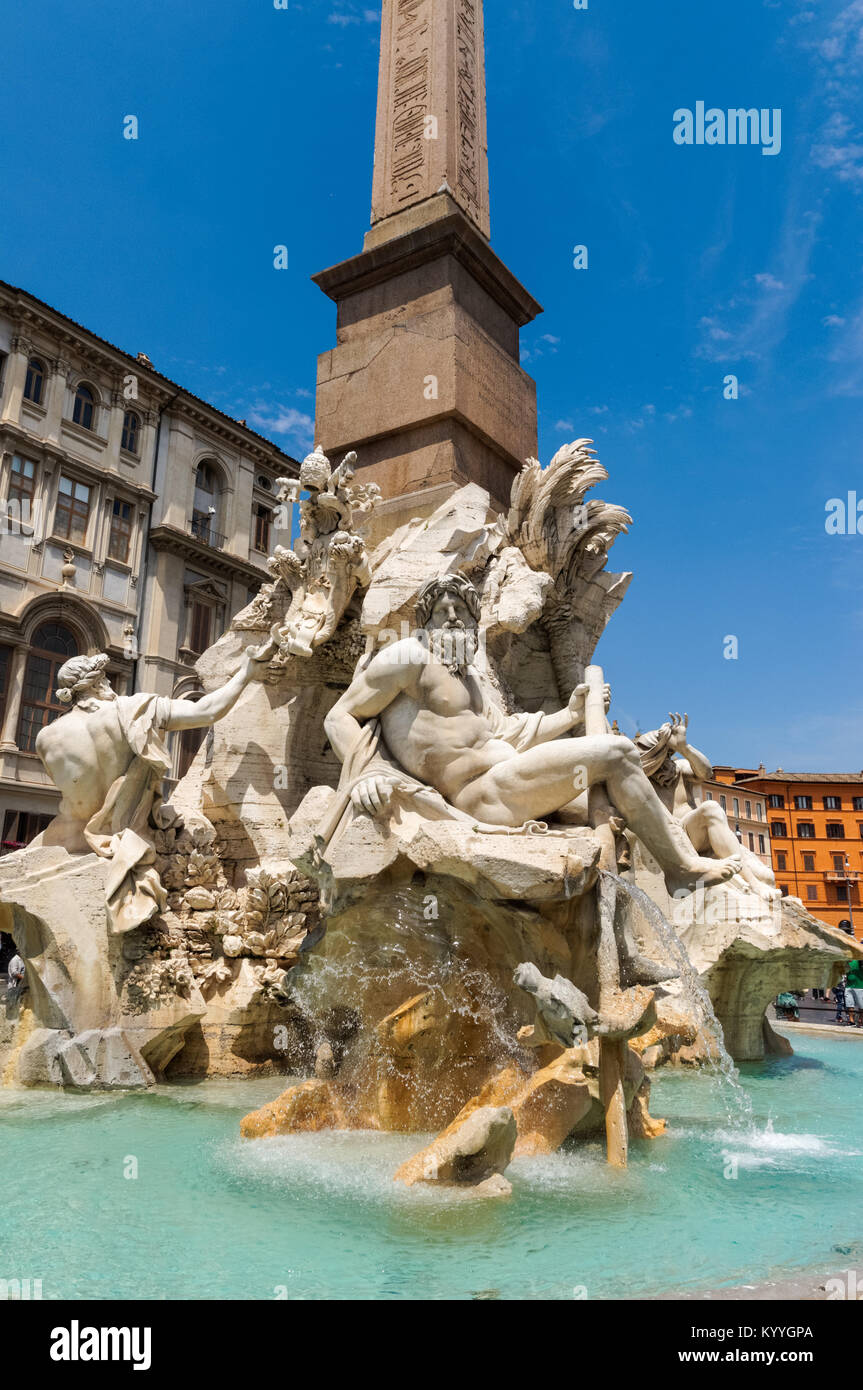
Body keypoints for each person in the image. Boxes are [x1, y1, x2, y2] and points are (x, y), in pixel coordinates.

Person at [323, 573, 742, 898]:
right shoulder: (409, 656)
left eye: (461, 611)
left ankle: (676, 860)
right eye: (441, 610)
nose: (452, 617)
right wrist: (367, 774)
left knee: (618, 799)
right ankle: (681, 868)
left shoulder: (468, 679)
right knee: (615, 751)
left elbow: (510, 733)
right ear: (426, 621)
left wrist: (571, 714)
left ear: (473, 621)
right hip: (482, 795)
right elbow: (339, 715)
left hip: (510, 778)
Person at [32, 648, 270, 933]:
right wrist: (247, 672)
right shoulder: (132, 711)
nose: (109, 685)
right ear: (96, 684)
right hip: (126, 836)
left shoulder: (46, 737)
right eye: (105, 679)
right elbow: (206, 711)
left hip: (68, 841)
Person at [845, 957, 863, 1027]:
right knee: (849, 1005)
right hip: (849, 986)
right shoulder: (848, 960)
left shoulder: (860, 960)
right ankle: (851, 1021)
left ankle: (861, 1021)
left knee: (861, 1006)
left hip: (860, 986)